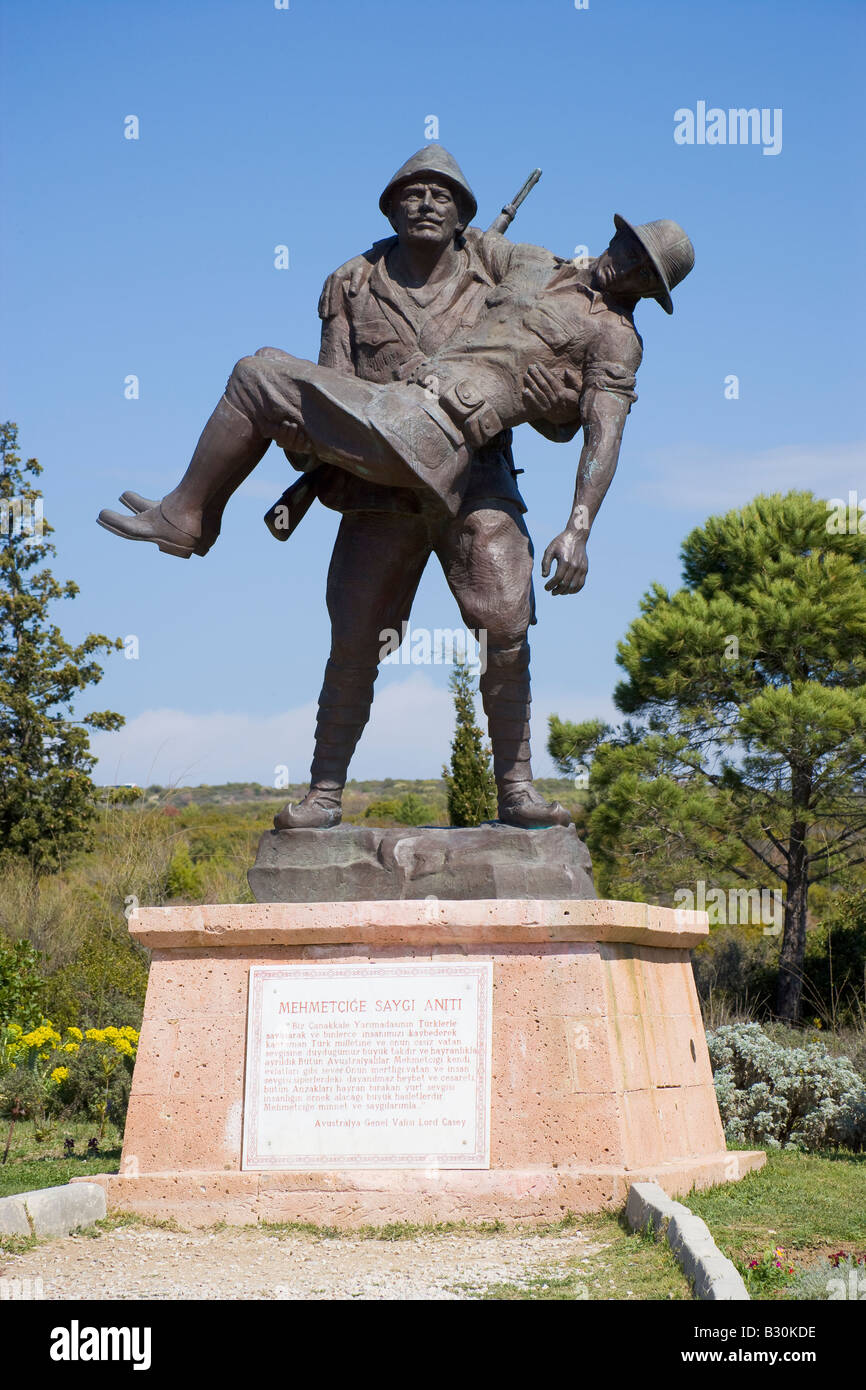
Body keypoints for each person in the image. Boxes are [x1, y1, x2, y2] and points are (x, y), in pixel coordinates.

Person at [98, 154, 694, 829]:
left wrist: (577, 518)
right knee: (355, 636)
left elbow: (599, 430)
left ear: (653, 291)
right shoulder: (506, 265)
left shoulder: (612, 335)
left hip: (474, 474)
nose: (629, 268)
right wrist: (318, 450)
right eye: (630, 251)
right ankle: (324, 793)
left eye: (647, 273)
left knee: (507, 626)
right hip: (386, 463)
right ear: (613, 237)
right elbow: (336, 382)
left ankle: (517, 789)